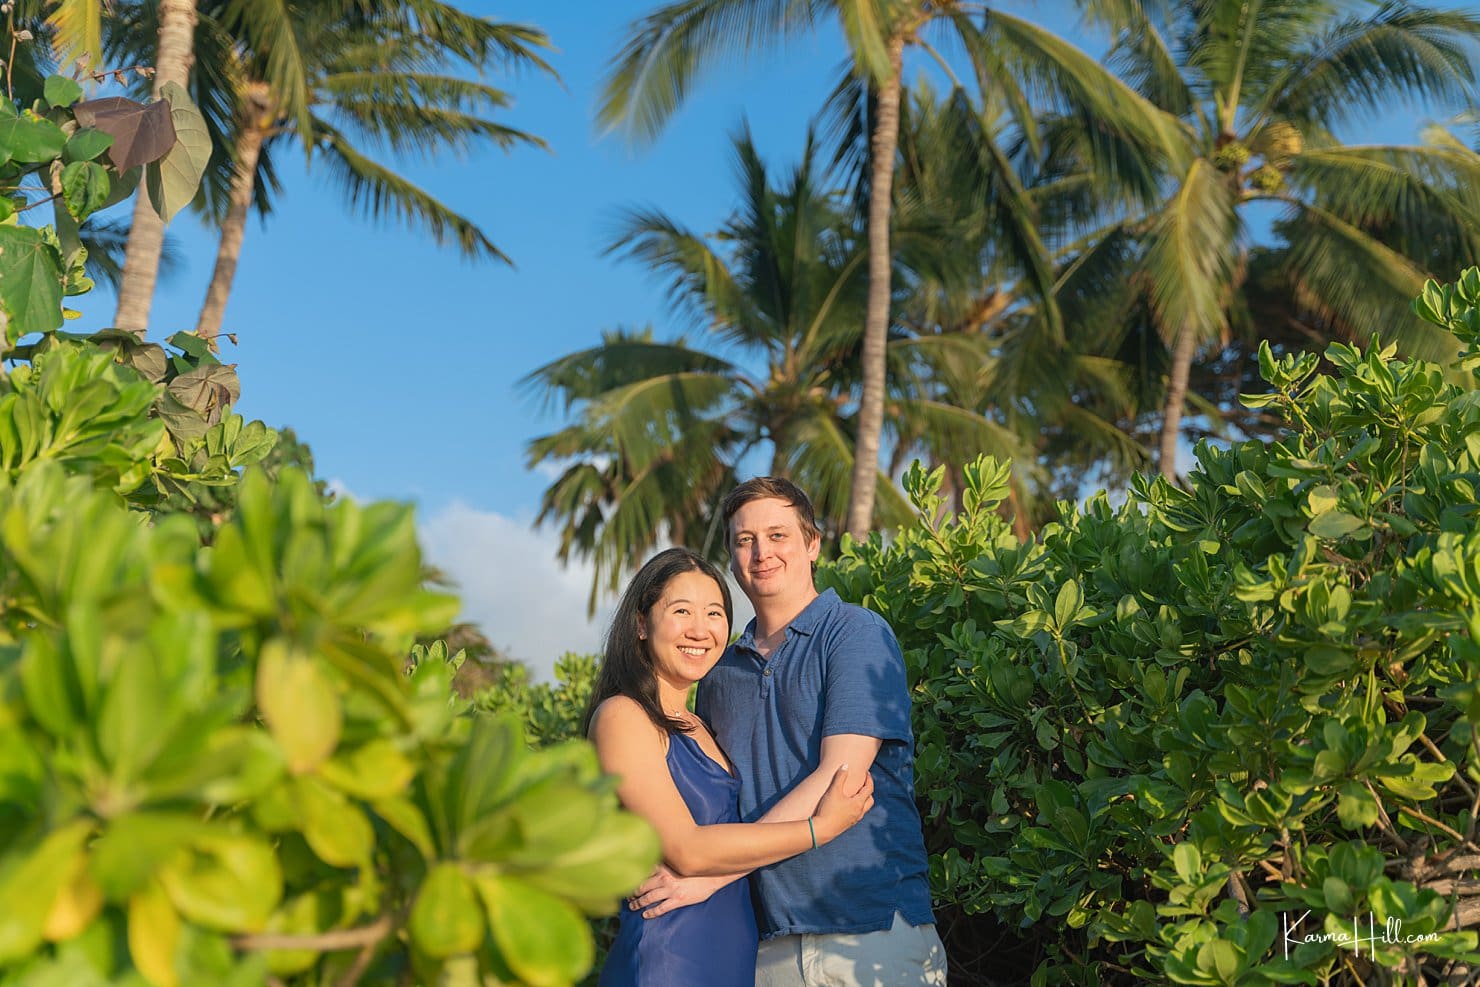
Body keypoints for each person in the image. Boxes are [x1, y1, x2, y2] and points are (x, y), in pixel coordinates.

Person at [627, 478, 947, 986]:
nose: (761, 553)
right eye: (744, 540)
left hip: (867, 932)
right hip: (765, 942)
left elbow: (839, 777)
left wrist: (705, 880)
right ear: (731, 558)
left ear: (812, 544)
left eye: (777, 535)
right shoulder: (717, 672)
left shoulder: (855, 632)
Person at [587, 546, 876, 987]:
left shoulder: (701, 724)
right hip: (668, 958)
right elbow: (687, 849)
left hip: (730, 959)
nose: (700, 630)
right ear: (641, 624)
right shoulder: (623, 715)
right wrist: (821, 828)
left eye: (715, 613)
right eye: (681, 611)